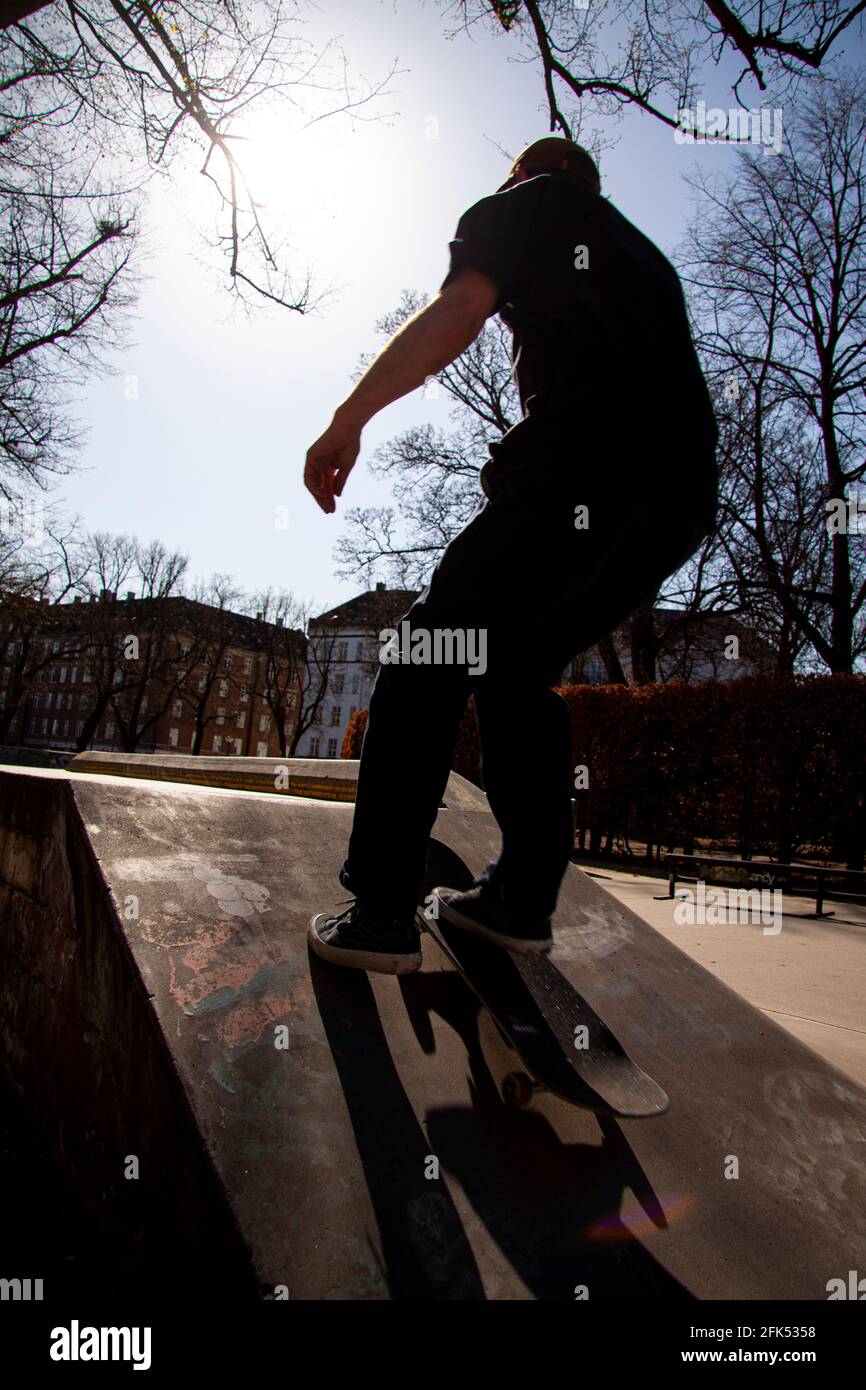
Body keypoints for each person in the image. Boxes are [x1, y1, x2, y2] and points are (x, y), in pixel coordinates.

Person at [304, 136, 718, 975]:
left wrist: (350, 414)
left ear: (520, 176)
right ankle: (519, 904)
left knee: (430, 652)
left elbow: (460, 309)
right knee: (516, 668)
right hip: (677, 502)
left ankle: (382, 908)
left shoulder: (522, 206)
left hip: (581, 475)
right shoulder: (643, 257)